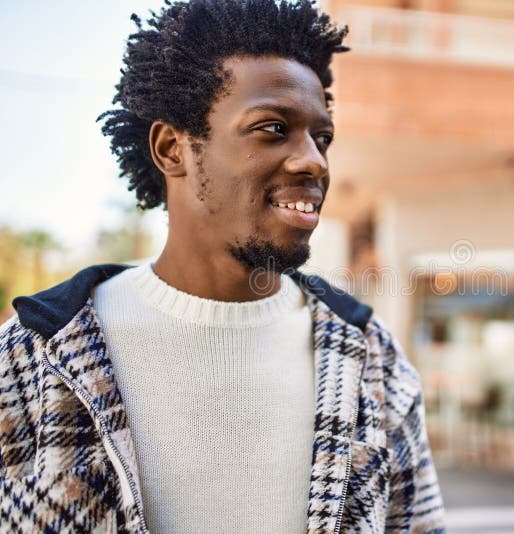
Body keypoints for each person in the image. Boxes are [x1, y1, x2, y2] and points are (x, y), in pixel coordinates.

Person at [0, 1, 444, 532]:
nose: (315, 161)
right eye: (273, 128)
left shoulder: (371, 359)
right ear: (173, 149)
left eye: (321, 137)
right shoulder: (35, 360)